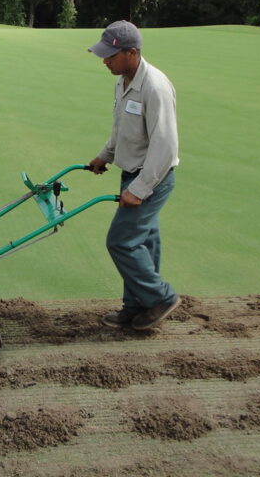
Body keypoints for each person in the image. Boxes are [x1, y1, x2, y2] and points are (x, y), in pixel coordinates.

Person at [87, 20, 181, 330]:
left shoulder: (155, 86)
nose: (104, 61)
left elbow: (165, 146)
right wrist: (105, 155)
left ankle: (161, 298)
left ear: (131, 53)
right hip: (131, 172)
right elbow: (121, 130)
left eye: (109, 56)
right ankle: (135, 306)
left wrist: (139, 189)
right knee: (144, 243)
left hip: (152, 178)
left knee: (122, 242)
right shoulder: (123, 80)